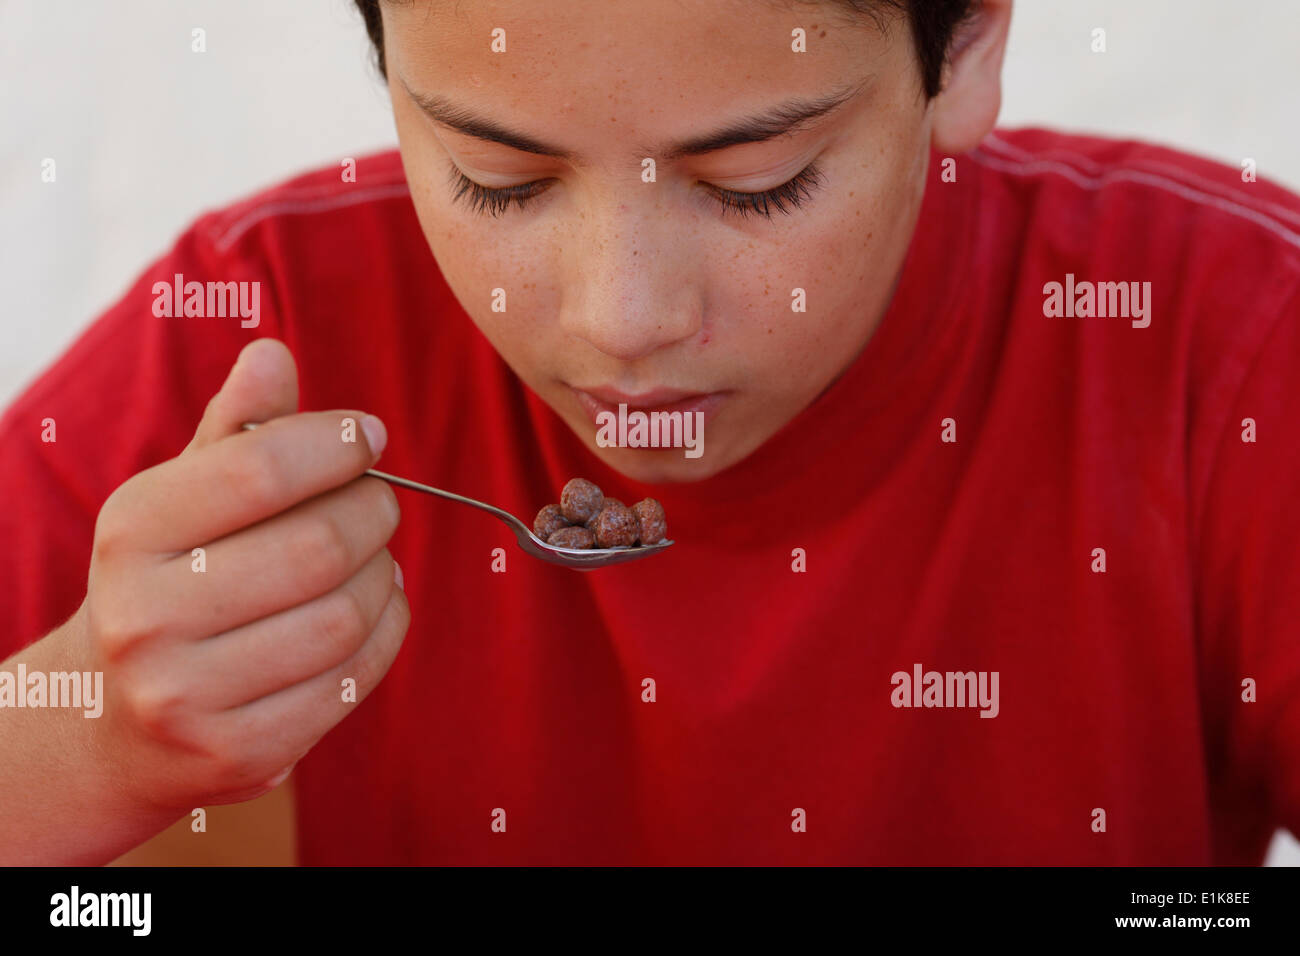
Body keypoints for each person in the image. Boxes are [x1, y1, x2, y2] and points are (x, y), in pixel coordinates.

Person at [2, 0, 1298, 865]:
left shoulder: (1225, 348)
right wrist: (90, 742)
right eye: (498, 180)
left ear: (962, 50)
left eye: (756, 183)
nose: (621, 319)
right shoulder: (260, 332)